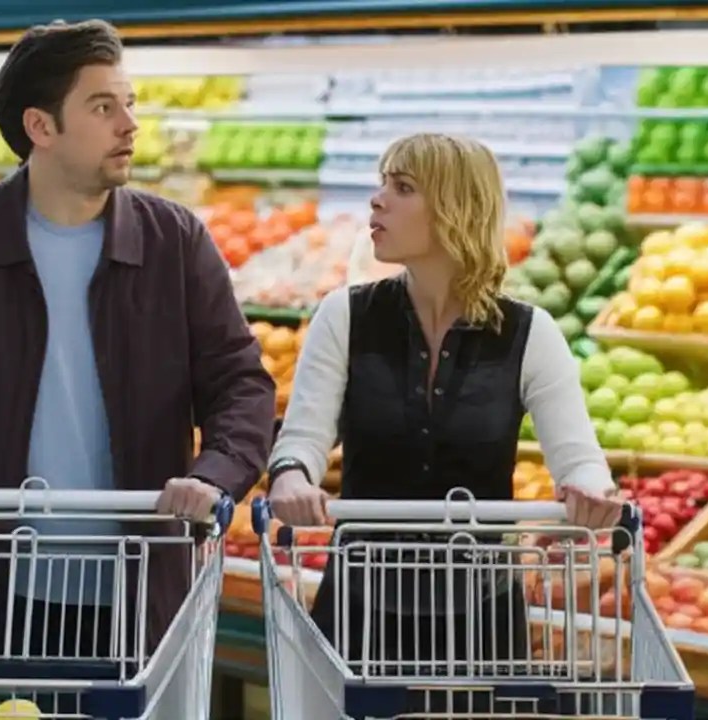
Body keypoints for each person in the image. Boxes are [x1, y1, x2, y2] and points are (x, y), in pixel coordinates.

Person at [0, 18, 275, 706]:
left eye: (130, 104)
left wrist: (215, 475)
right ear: (41, 126)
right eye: (103, 106)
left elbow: (240, 384)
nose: (130, 124)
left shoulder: (174, 242)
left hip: (131, 596)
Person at [265, 133, 623, 710]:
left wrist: (589, 487)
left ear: (456, 211)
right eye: (382, 183)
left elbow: (580, 456)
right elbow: (302, 438)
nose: (377, 201)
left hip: (483, 619)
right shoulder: (346, 317)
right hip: (360, 612)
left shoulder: (529, 334)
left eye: (402, 188)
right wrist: (290, 477)